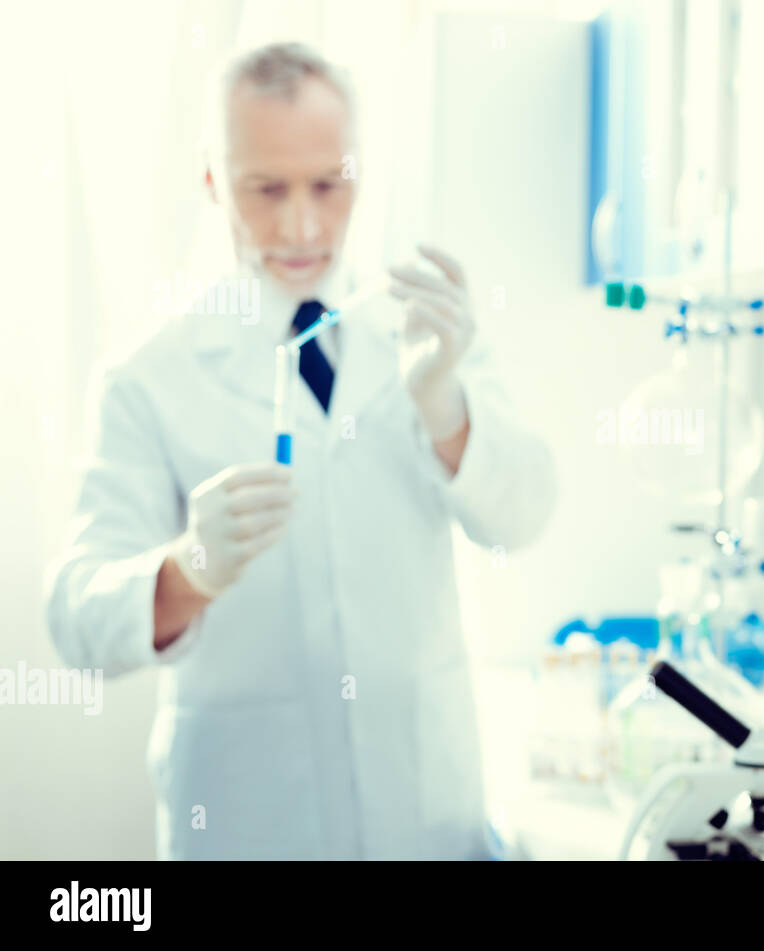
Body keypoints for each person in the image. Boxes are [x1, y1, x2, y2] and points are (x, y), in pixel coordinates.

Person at [44, 42, 556, 859]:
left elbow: (525, 515)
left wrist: (448, 412)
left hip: (426, 815)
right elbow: (75, 617)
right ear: (215, 181)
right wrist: (185, 570)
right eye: (266, 189)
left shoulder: (426, 330)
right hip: (247, 821)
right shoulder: (150, 375)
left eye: (329, 184)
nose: (303, 225)